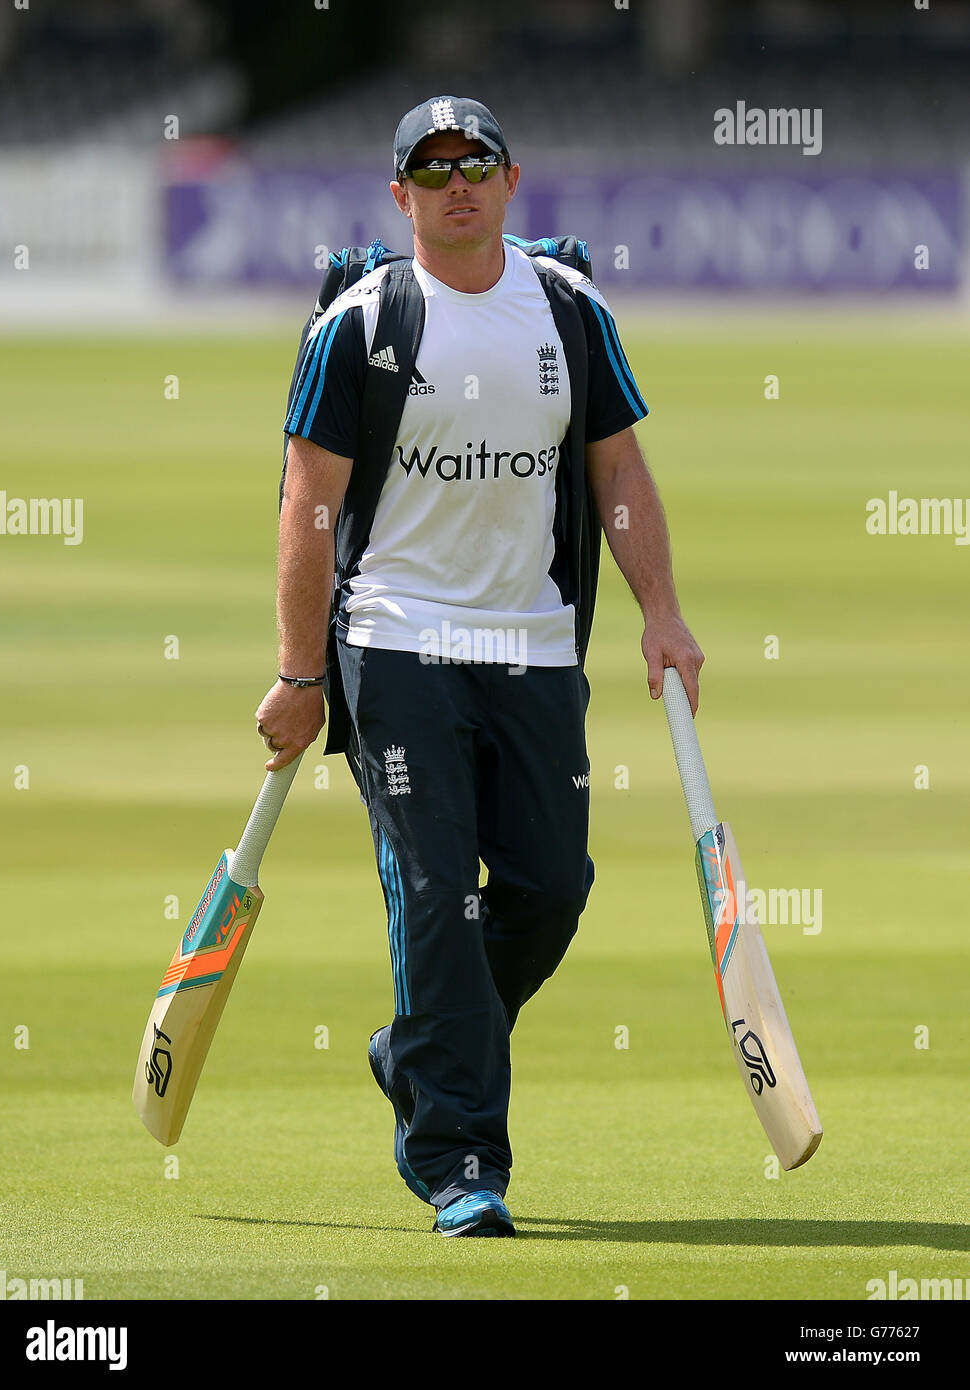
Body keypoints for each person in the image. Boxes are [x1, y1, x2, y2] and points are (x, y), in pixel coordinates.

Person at [255, 95, 703, 1237]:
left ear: (511, 180)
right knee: (438, 894)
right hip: (396, 643)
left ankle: (413, 1047)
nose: (457, 181)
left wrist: (662, 612)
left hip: (535, 644)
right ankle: (459, 1159)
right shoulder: (359, 323)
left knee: (551, 892)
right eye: (431, 166)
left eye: (477, 162)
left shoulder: (566, 308)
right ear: (399, 194)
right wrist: (301, 675)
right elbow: (310, 504)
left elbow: (614, 465)